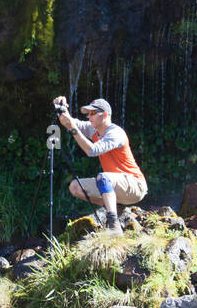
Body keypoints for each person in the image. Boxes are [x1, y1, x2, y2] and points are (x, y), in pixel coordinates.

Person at [54, 96, 147, 235]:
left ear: (104, 115)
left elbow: (92, 150)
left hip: (135, 185)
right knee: (75, 187)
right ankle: (114, 207)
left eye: (92, 113)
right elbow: (73, 123)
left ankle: (113, 226)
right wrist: (61, 109)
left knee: (103, 178)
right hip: (116, 186)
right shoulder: (95, 130)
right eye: (88, 114)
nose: (88, 117)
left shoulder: (115, 133)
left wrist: (72, 128)